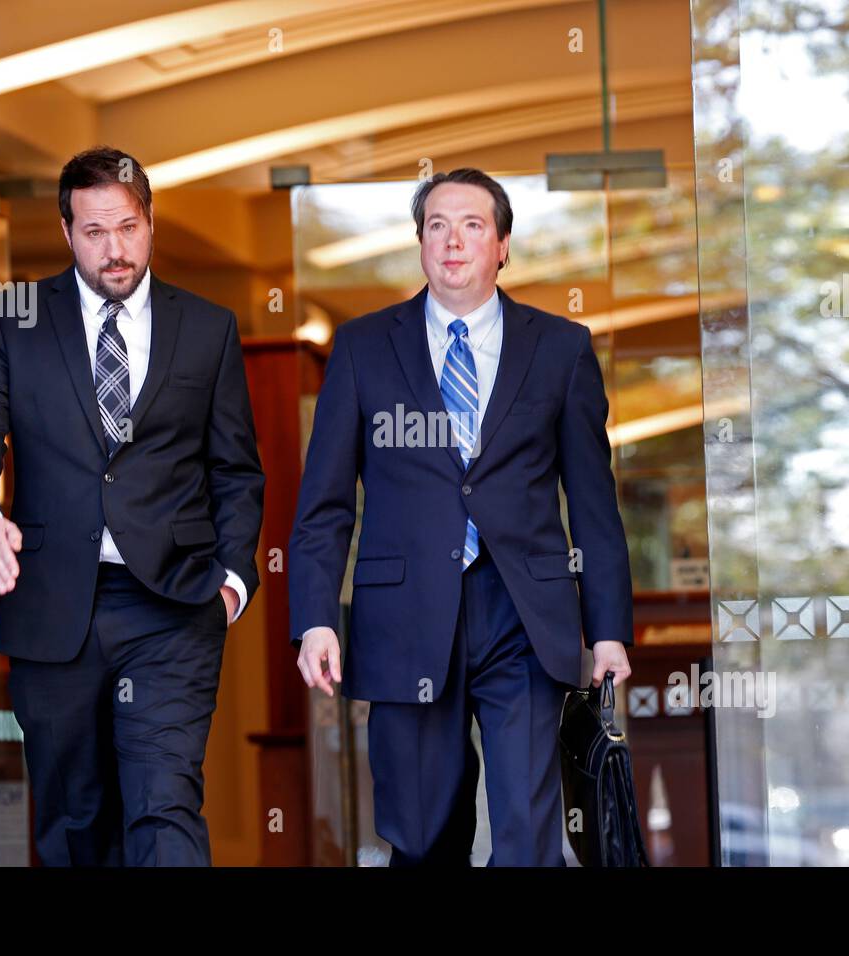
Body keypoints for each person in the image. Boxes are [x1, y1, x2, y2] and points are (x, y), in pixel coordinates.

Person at [288, 168, 633, 865]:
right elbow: (324, 501)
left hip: (524, 619)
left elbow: (594, 508)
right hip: (405, 620)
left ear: (502, 244)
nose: (453, 241)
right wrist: (316, 616)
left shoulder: (561, 350)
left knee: (528, 834)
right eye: (437, 226)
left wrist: (607, 632)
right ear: (420, 243)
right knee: (421, 835)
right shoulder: (361, 348)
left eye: (472, 225)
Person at [0, 146, 264, 866]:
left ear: (150, 222)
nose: (114, 250)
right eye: (93, 232)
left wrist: (233, 582)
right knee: (74, 822)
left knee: (164, 802)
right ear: (65, 232)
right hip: (55, 605)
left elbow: (235, 468)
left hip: (173, 606)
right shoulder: (15, 320)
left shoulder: (206, 328)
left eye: (127, 227)